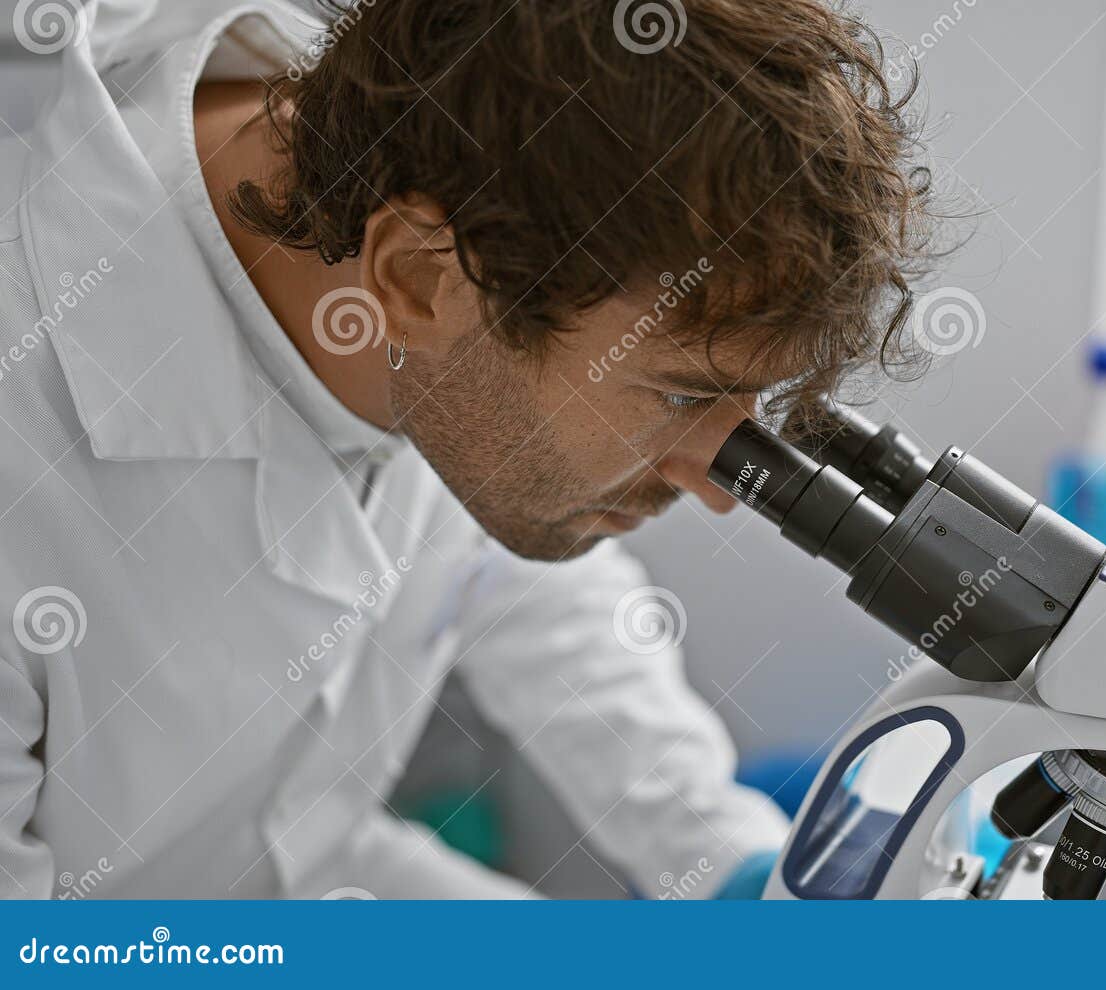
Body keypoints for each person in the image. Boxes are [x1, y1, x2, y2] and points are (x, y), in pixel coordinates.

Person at [0, 0, 932, 898]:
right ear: (414, 275)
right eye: (683, 393)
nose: (719, 489)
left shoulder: (438, 221)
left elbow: (518, 584)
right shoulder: (25, 452)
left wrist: (729, 864)